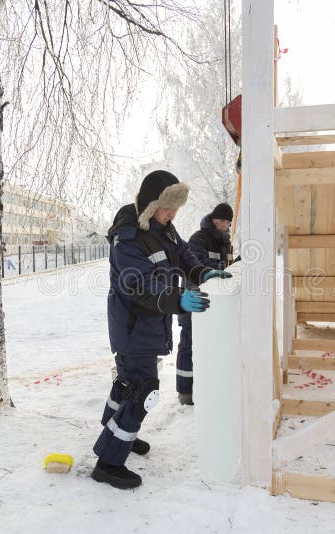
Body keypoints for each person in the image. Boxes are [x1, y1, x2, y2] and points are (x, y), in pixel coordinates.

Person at [92, 170, 231, 489]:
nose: (171, 215)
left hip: (150, 322)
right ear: (150, 204)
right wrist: (179, 300)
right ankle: (109, 461)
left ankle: (113, 430)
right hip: (133, 324)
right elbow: (138, 285)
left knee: (129, 382)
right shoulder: (128, 237)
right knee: (144, 390)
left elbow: (182, 254)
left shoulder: (164, 229)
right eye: (167, 208)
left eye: (175, 209)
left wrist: (201, 272)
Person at [176, 203, 235, 405]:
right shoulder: (197, 239)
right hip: (193, 299)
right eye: (221, 221)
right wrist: (217, 268)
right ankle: (185, 392)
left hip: (214, 305)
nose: (224, 225)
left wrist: (236, 265)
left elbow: (228, 272)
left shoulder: (227, 243)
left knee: (209, 348)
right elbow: (195, 268)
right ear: (213, 220)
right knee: (188, 346)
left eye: (227, 223)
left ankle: (205, 388)